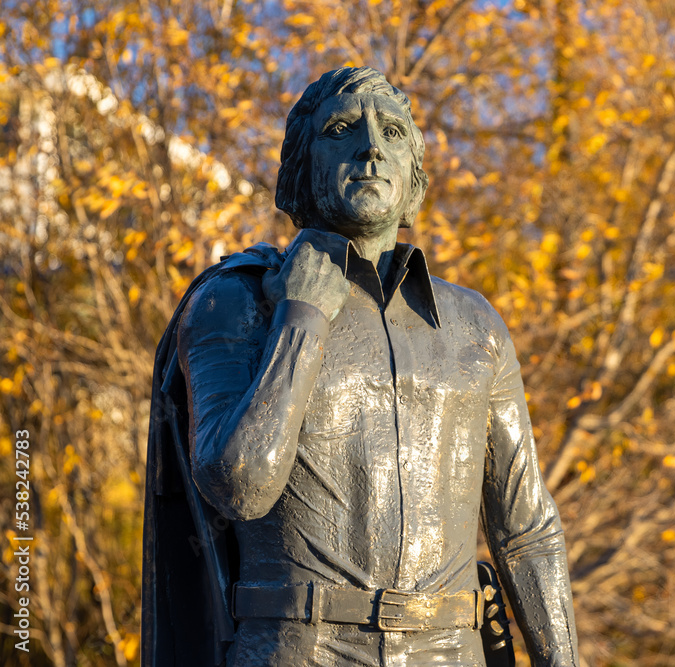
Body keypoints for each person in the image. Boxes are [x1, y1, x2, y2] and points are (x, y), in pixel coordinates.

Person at [142, 66, 579, 667]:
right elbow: (239, 486)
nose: (371, 146)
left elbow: (526, 528)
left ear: (413, 174)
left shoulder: (474, 324)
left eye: (392, 132)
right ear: (302, 166)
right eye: (342, 129)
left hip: (450, 652)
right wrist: (301, 318)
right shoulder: (236, 302)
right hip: (299, 649)